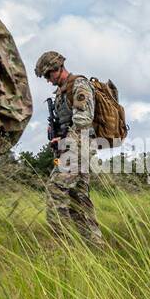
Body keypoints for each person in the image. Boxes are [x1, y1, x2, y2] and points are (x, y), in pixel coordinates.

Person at [34, 51, 104, 245]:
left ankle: (63, 246)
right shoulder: (61, 92)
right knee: (78, 198)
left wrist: (63, 140)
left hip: (79, 147)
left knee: (55, 189)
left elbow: (83, 120)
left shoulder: (79, 85)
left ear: (58, 68)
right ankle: (94, 245)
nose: (48, 80)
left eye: (49, 75)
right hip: (73, 147)